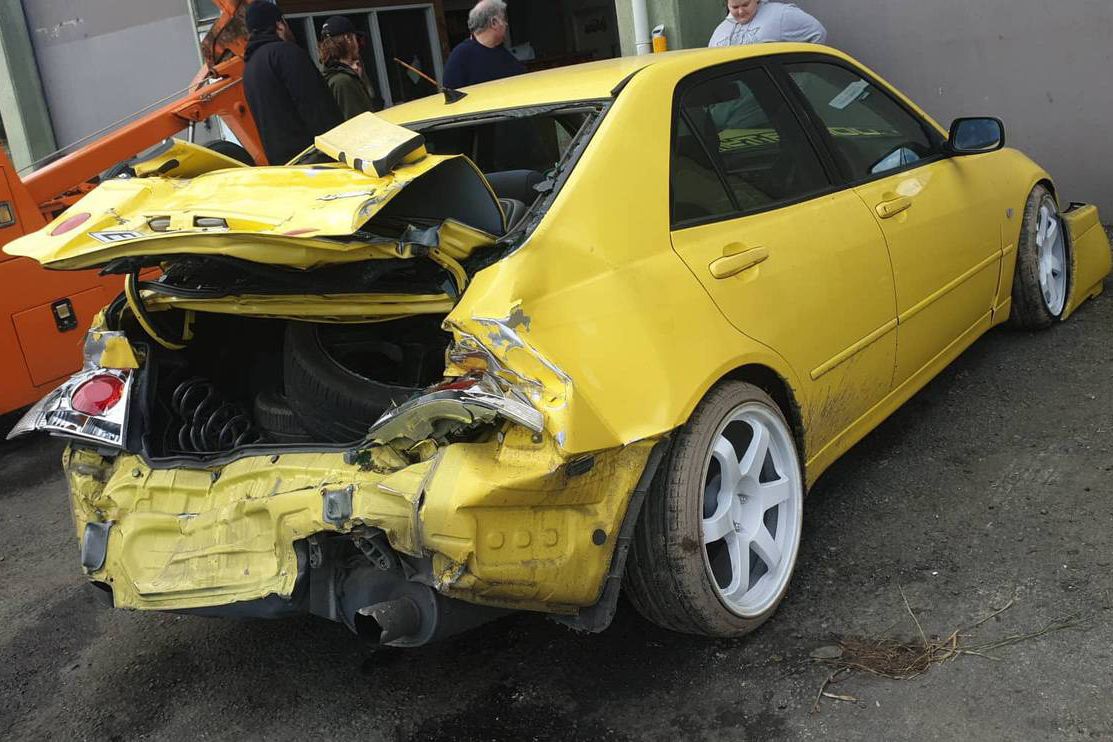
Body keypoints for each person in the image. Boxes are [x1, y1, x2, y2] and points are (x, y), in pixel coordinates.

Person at [243, 1, 341, 165]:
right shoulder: (287, 53)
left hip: (284, 167)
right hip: (315, 160)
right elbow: (318, 108)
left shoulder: (249, 68)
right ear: (279, 25)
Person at [442, 0, 525, 89]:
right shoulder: (461, 55)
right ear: (494, 23)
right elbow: (452, 96)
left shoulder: (502, 53)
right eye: (504, 19)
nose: (506, 24)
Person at [319, 15, 380, 119]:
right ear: (348, 39)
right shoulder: (342, 81)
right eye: (355, 38)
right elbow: (356, 124)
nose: (358, 44)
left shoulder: (341, 76)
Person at [709, 0, 827, 47]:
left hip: (775, 96)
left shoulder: (780, 14)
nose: (741, 11)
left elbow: (817, 32)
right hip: (735, 99)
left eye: (745, 4)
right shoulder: (720, 30)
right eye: (735, 7)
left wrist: (799, 72)